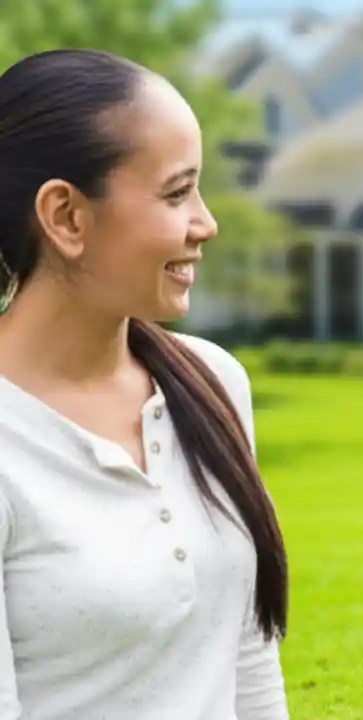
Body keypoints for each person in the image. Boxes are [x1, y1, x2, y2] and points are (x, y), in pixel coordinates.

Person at [0, 49, 288, 718]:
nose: (205, 223)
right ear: (67, 217)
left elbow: (250, 665)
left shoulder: (210, 381)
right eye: (176, 192)